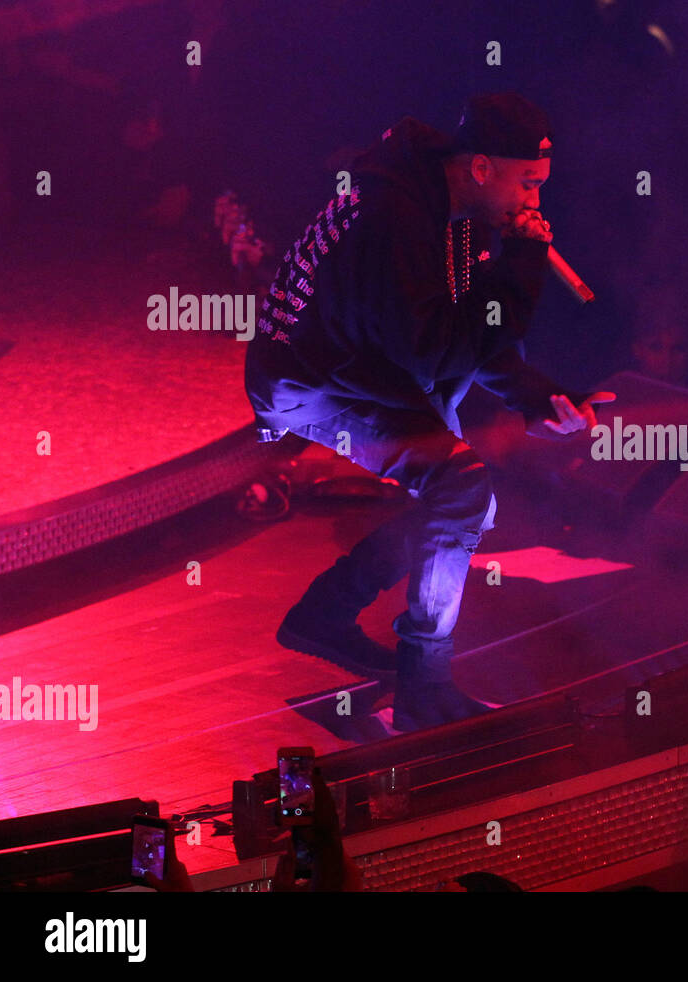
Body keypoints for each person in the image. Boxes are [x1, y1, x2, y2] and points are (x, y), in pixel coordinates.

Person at [244, 93, 614, 730]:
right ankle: (423, 683)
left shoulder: (453, 211)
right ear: (479, 168)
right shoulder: (396, 211)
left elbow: (466, 336)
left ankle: (327, 613)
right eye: (526, 183)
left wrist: (537, 398)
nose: (533, 203)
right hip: (307, 379)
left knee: (464, 501)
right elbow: (434, 349)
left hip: (362, 370)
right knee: (461, 487)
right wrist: (524, 265)